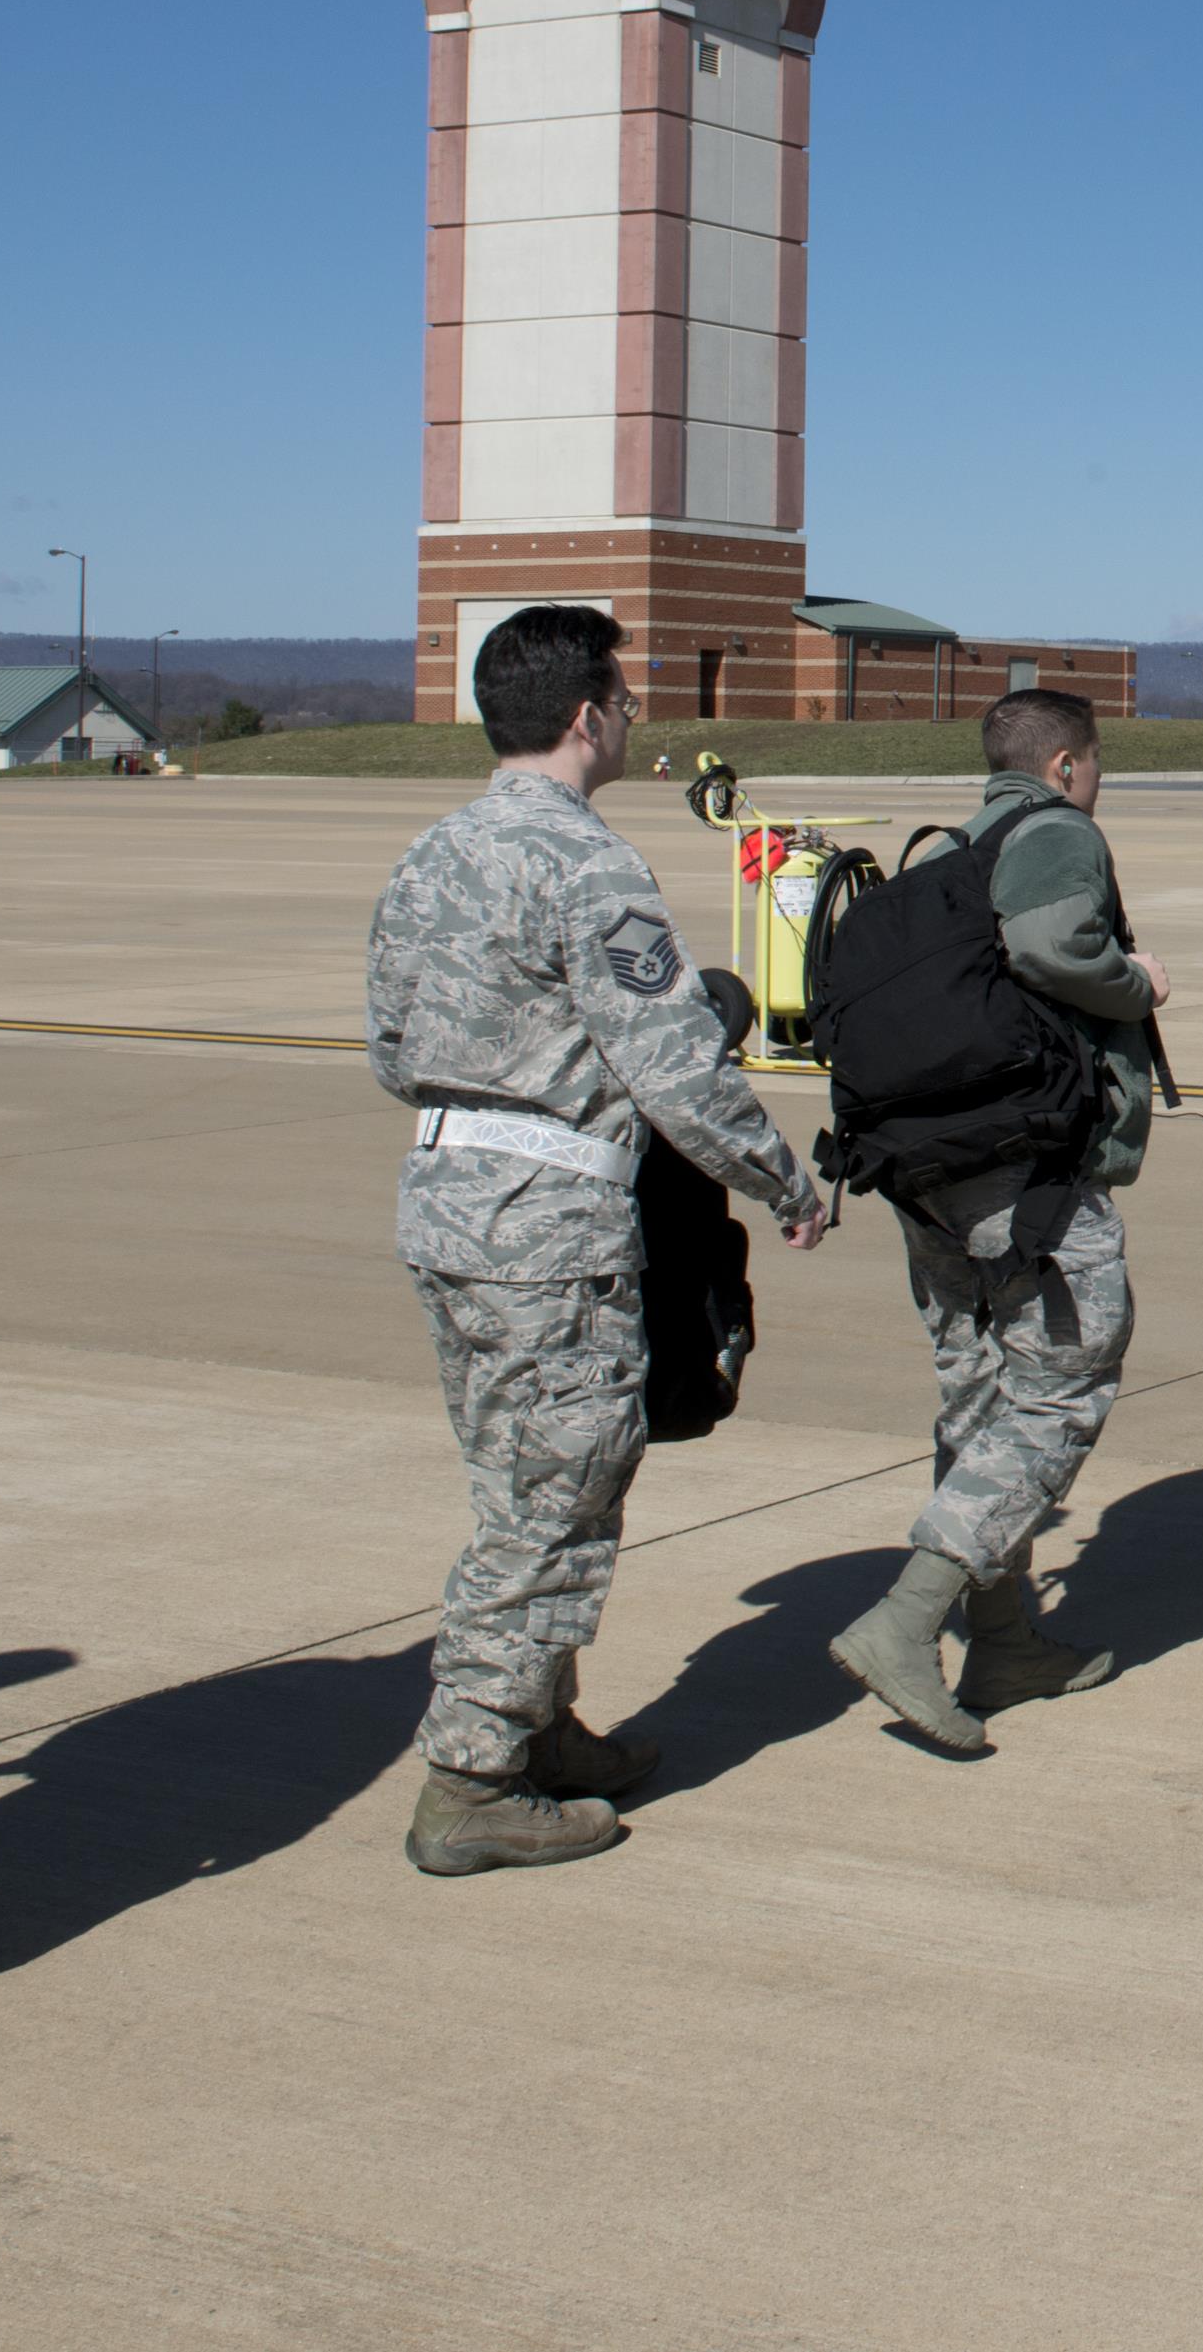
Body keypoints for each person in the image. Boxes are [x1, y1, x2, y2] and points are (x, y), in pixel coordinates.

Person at [363, 605, 818, 1874]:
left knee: (520, 1480)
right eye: (622, 702)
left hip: (449, 1204)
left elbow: (390, 1048)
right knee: (553, 1505)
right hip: (550, 1227)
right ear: (586, 718)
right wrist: (782, 1182)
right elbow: (678, 1071)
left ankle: (536, 1724)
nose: (629, 720)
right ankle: (468, 1781)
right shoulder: (587, 864)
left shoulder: (431, 854)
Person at [828, 685, 1161, 1759]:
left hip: (933, 1171)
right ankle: (907, 1618)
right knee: (1065, 1372)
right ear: (1065, 764)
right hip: (1025, 1175)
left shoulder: (945, 855)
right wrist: (1134, 982)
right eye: (1095, 764)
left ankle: (1006, 1638)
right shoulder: (1057, 832)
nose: (1096, 782)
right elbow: (1056, 949)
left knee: (977, 1394)